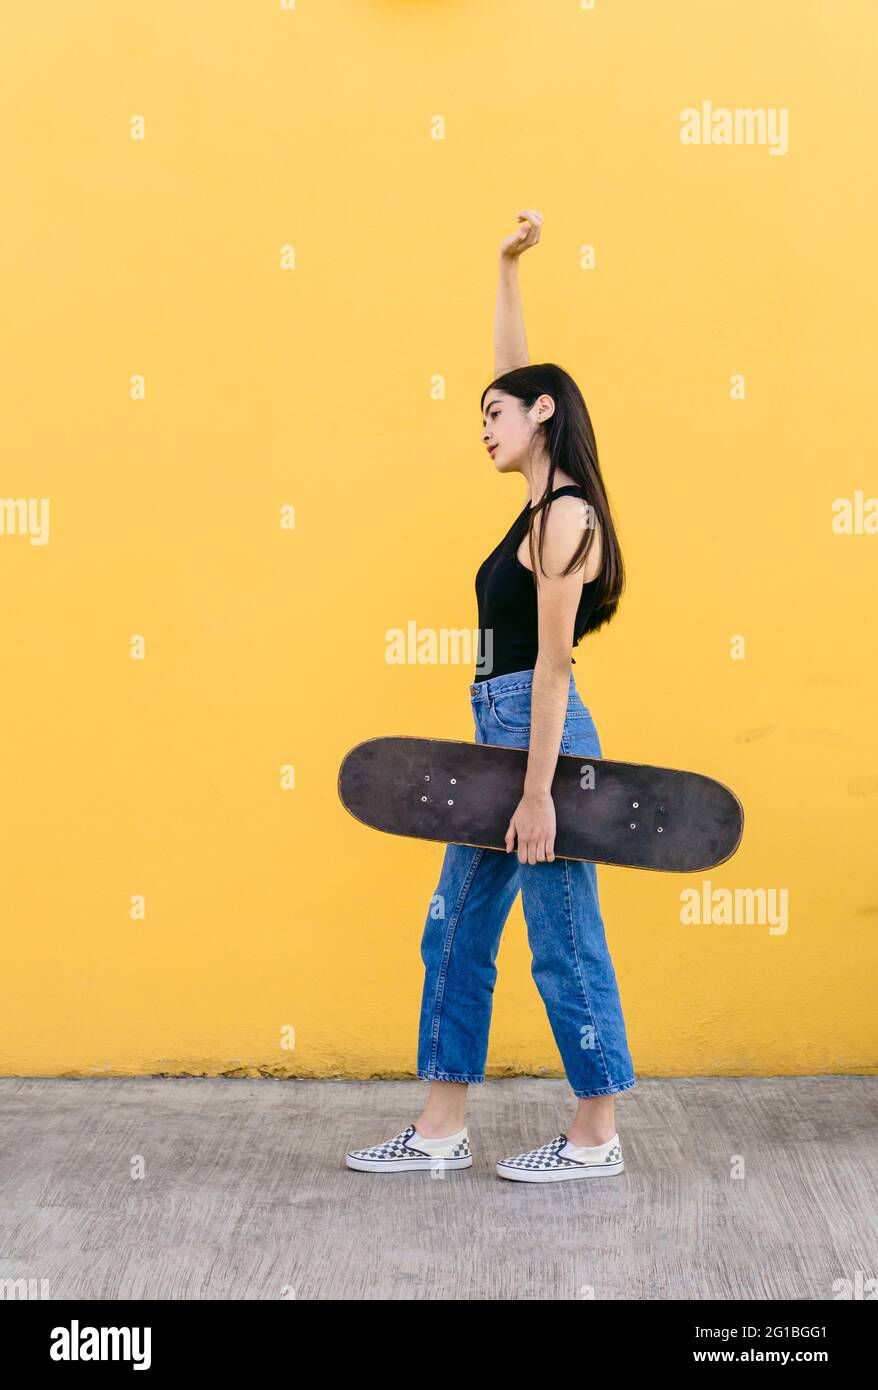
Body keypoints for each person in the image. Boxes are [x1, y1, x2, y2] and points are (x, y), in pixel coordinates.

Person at [346, 211, 635, 1183]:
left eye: (493, 417)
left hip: (535, 737)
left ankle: (593, 1133)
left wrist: (538, 791)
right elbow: (521, 370)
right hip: (495, 728)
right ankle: (437, 1128)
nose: (482, 429)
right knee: (456, 926)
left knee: (560, 936)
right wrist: (504, 268)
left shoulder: (564, 520)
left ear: (541, 416)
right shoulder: (533, 499)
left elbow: (552, 669)